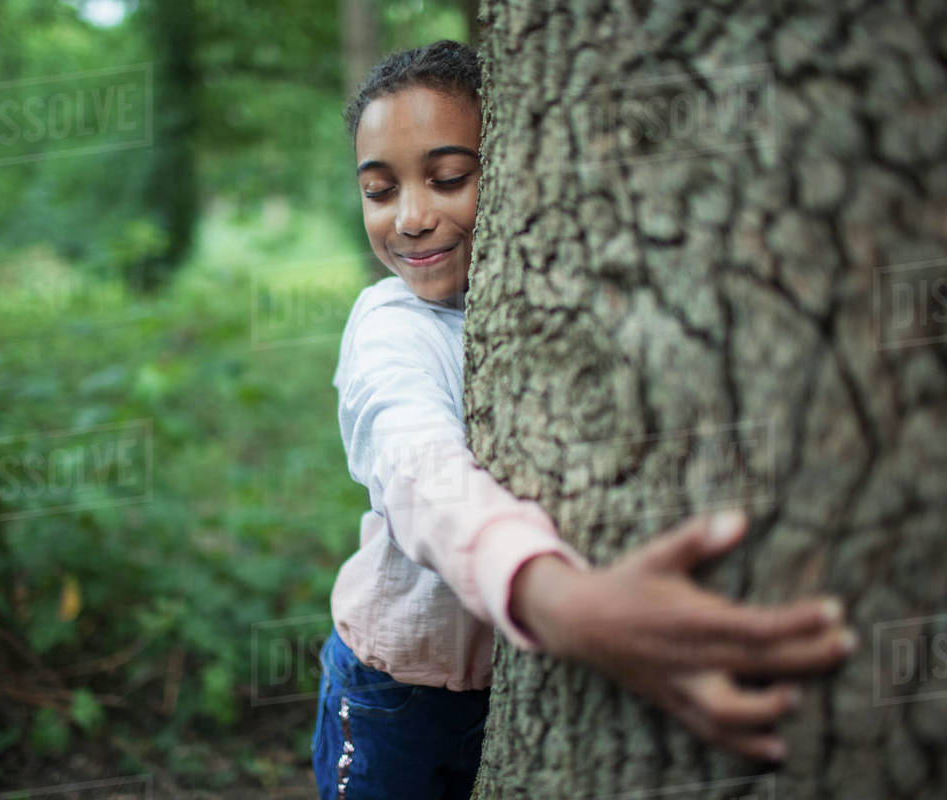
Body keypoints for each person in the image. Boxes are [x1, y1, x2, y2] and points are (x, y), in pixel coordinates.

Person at [311, 39, 856, 800]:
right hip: (395, 697)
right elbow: (416, 468)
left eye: (450, 178)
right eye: (379, 189)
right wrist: (561, 602)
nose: (411, 217)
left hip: (517, 692)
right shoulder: (390, 327)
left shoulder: (549, 294)